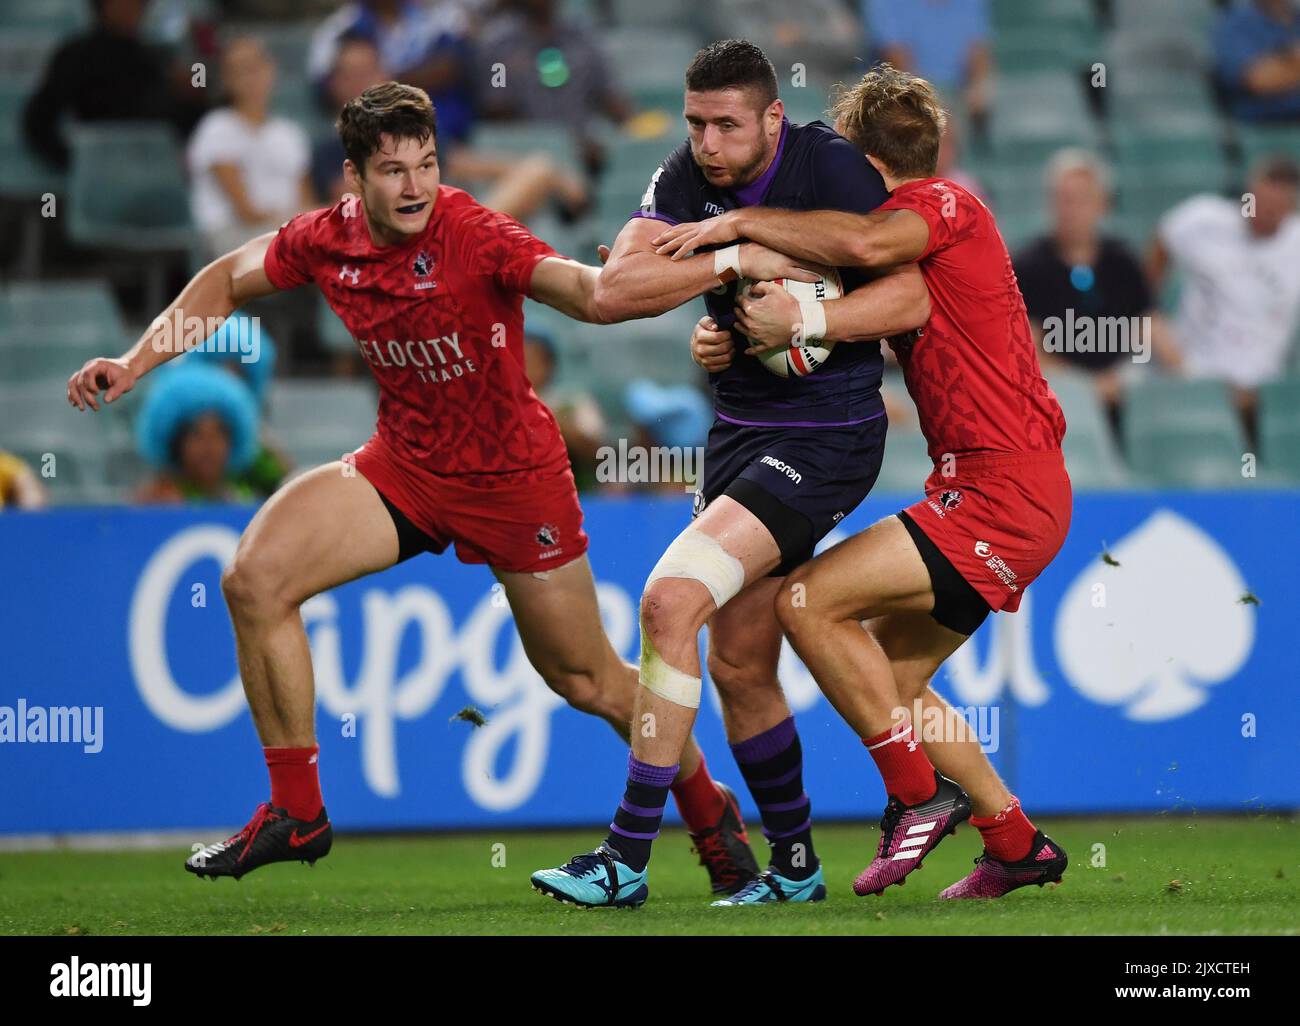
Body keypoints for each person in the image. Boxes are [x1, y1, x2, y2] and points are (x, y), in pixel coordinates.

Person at [65, 81, 814, 892]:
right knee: (253, 578)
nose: (415, 185)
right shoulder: (325, 238)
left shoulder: (474, 233)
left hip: (514, 481)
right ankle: (297, 810)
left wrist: (715, 261)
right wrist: (134, 362)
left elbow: (588, 297)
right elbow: (227, 278)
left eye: (426, 164)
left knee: (587, 680)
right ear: (354, 177)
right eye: (393, 170)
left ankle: (707, 810)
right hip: (407, 467)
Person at [655, 64, 1072, 900]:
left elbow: (860, 248)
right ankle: (1016, 844)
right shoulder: (918, 234)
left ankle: (917, 797)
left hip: (1001, 493)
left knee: (806, 601)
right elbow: (833, 298)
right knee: (893, 681)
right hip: (992, 488)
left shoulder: (938, 207)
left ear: (866, 165)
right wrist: (731, 337)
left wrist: (740, 225)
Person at [529, 41, 931, 909]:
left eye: (726, 125)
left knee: (669, 602)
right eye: (695, 123)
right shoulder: (685, 175)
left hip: (827, 438)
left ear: (773, 118)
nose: (708, 143)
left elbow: (910, 298)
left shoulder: (831, 168)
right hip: (738, 434)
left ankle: (624, 857)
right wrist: (730, 263)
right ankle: (796, 867)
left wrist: (805, 319)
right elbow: (615, 289)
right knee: (741, 663)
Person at [1015, 149, 1172, 435]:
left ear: (1103, 205)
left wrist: (1187, 374)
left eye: (1082, 200)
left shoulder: (1123, 261)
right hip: (1058, 395)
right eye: (1064, 199)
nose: (1071, 210)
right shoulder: (1028, 266)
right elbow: (1027, 350)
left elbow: (1150, 326)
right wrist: (1088, 386)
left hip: (1123, 387)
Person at [1148, 154, 1300, 445]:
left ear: (1289, 208)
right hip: (1193, 381)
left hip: (1260, 394)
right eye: (1259, 201)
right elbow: (1159, 248)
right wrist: (1152, 313)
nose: (1262, 213)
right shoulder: (1203, 219)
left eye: (1273, 208)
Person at [22, 0, 206, 170]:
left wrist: (194, 98)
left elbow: (187, 123)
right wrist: (76, 163)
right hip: (99, 170)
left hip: (154, 170)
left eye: (136, 3)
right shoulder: (76, 56)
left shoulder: (159, 59)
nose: (129, 9)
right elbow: (39, 122)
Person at [187, 36, 314, 259]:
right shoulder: (216, 128)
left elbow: (306, 201)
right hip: (234, 236)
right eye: (239, 71)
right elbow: (246, 212)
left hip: (288, 231)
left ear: (271, 70)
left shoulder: (290, 133)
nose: (250, 78)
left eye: (255, 67)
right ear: (226, 80)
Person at [133, 363, 261, 504]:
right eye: (196, 435)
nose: (209, 447)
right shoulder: (153, 503)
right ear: (176, 444)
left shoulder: (244, 501)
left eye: (219, 435)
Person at [1214, 0, 1300, 124]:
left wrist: (1287, 64)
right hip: (1265, 124)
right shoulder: (1236, 23)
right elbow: (1259, 80)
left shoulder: (1296, 18)